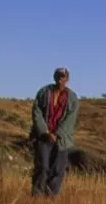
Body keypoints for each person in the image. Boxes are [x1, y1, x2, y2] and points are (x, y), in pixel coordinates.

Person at [28, 67, 79, 196]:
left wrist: (57, 134)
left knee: (57, 170)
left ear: (67, 79)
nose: (60, 79)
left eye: (63, 76)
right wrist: (44, 131)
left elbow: (70, 119)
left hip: (61, 139)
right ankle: (37, 196)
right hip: (44, 137)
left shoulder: (72, 97)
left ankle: (50, 197)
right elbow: (36, 112)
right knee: (42, 167)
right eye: (58, 76)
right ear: (54, 77)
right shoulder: (44, 92)